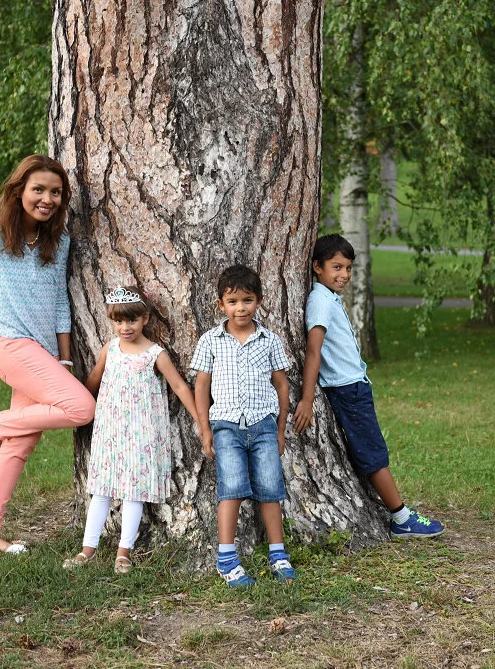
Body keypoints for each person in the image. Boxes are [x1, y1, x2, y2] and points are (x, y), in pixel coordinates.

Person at [0, 154, 96, 555]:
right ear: (19, 190)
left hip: (46, 351)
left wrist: (65, 359)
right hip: (9, 344)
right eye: (39, 189)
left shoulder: (58, 241)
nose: (47, 199)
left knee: (20, 441)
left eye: (56, 192)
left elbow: (59, 305)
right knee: (81, 407)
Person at [293, 234, 445, 539]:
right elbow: (313, 350)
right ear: (316, 267)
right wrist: (307, 398)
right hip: (347, 390)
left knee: (369, 449)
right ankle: (401, 518)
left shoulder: (328, 298)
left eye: (348, 268)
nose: (344, 275)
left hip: (355, 386)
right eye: (336, 267)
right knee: (374, 454)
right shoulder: (320, 301)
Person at [62, 285, 201, 572]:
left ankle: (124, 551)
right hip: (110, 430)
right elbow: (94, 381)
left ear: (145, 319)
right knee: (101, 489)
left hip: (141, 433)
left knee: (132, 492)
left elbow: (178, 385)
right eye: (118, 321)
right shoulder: (109, 349)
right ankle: (88, 548)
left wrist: (200, 419)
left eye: (132, 320)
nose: (125, 327)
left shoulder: (155, 354)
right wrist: (79, 413)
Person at [190, 265, 296, 587]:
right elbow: (201, 386)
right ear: (221, 304)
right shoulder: (210, 341)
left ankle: (278, 553)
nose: (241, 308)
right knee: (231, 487)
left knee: (269, 487)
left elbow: (281, 385)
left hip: (263, 424)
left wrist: (279, 429)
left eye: (247, 300)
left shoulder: (269, 340)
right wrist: (205, 428)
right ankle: (226, 557)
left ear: (259, 301)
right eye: (233, 301)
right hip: (226, 425)